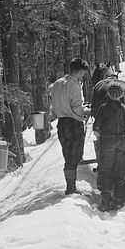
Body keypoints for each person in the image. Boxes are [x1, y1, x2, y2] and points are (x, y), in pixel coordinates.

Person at [50, 58, 91, 194]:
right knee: (75, 156)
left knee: (68, 155)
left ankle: (70, 186)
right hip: (73, 123)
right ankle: (71, 188)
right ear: (79, 72)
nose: (82, 77)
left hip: (61, 123)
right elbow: (77, 108)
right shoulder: (73, 85)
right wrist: (86, 111)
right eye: (83, 74)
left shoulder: (56, 84)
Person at [93, 83, 125, 211]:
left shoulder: (102, 108)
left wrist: (104, 137)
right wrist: (123, 135)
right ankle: (118, 200)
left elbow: (96, 130)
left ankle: (106, 201)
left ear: (108, 94)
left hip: (107, 141)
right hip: (122, 141)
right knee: (120, 171)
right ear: (122, 95)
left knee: (105, 170)